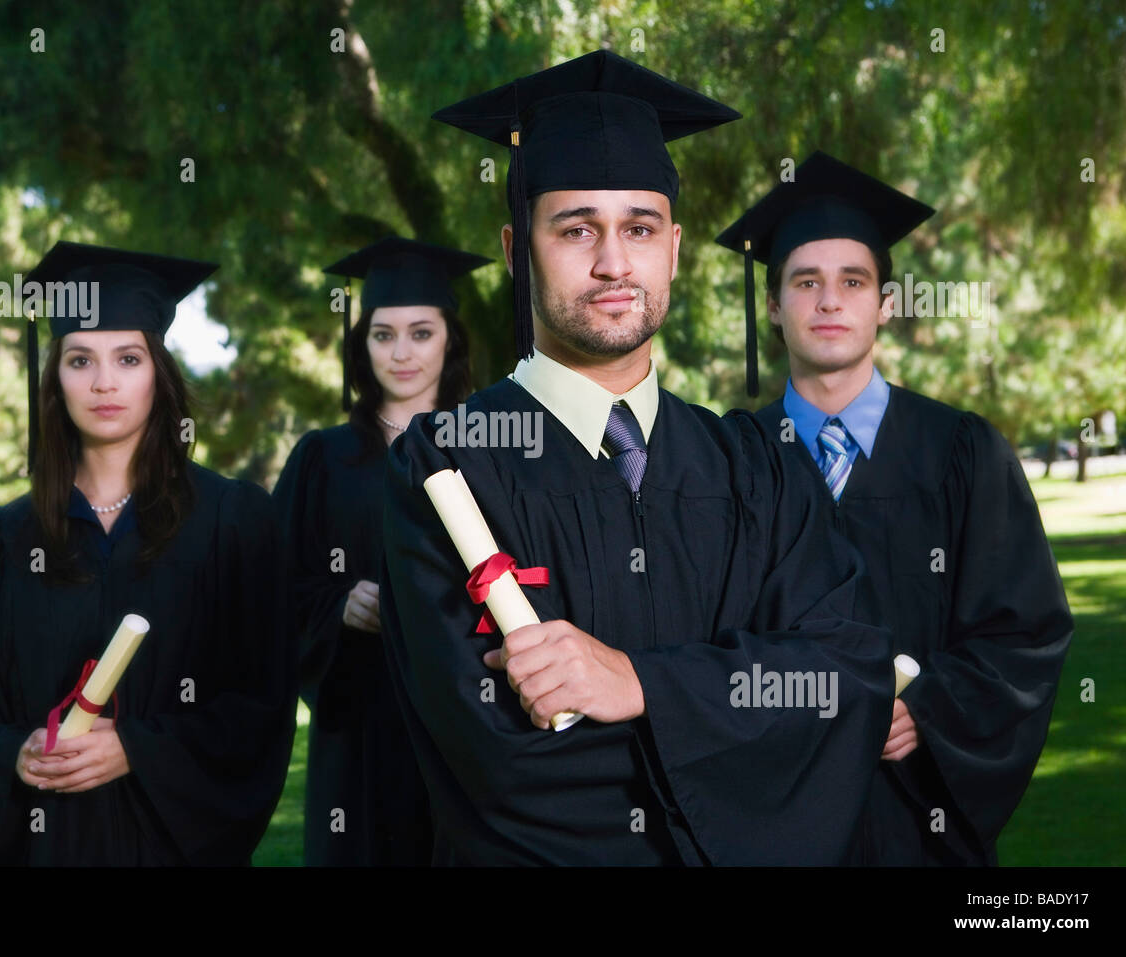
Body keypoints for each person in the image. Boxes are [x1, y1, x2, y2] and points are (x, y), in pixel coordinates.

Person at [378, 51, 897, 866]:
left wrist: (640, 684)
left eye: (640, 228)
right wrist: (728, 729)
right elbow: (496, 762)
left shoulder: (755, 462)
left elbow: (844, 678)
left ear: (676, 248)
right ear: (518, 250)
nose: (615, 261)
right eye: (577, 228)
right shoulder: (446, 467)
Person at [716, 151, 1074, 864]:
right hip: (776, 820)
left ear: (885, 302)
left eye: (853, 282)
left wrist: (928, 710)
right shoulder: (729, 460)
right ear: (774, 304)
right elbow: (692, 635)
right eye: (806, 281)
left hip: (919, 824)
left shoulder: (963, 454)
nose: (828, 302)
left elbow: (1025, 634)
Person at [0, 241, 298, 865]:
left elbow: (261, 703)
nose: (104, 382)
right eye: (80, 359)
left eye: (127, 357)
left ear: (158, 373)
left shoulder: (233, 522)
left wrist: (137, 750)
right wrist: (14, 751)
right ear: (54, 379)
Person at [271, 237, 489, 865]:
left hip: (469, 722)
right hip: (360, 727)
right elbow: (273, 592)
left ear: (450, 339)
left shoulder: (489, 449)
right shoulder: (322, 459)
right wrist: (338, 606)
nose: (401, 353)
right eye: (383, 334)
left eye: (421, 333)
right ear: (361, 345)